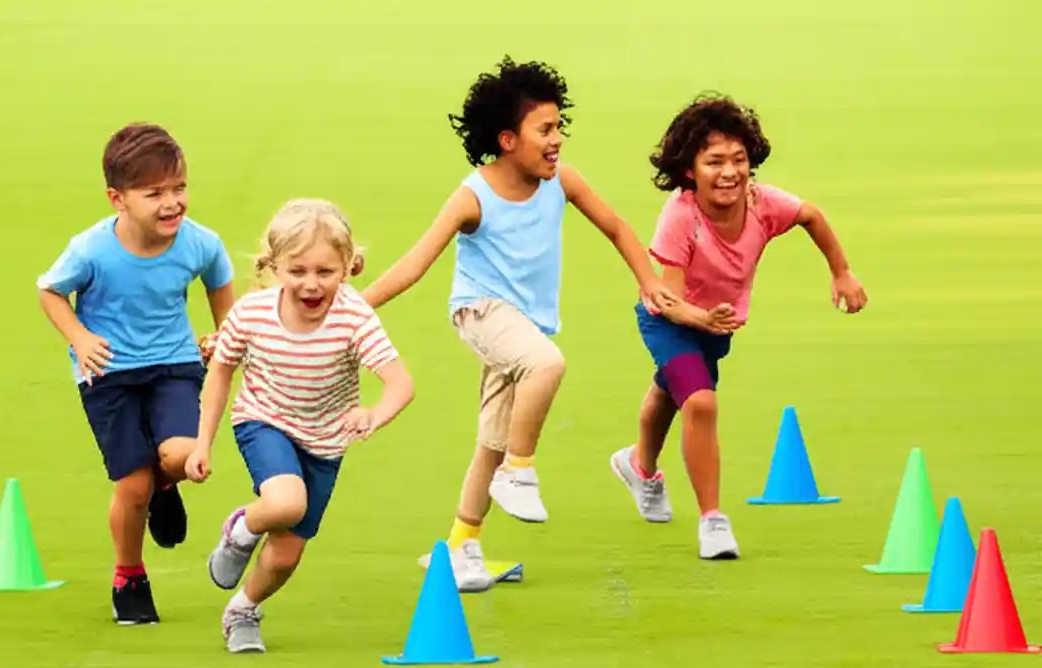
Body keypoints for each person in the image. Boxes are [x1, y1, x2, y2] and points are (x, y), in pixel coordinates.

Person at [359, 56, 677, 591]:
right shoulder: (473, 197)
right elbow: (414, 265)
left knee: (492, 436)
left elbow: (619, 228)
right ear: (507, 139)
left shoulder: (561, 182)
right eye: (544, 130)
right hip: (480, 313)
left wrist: (648, 282)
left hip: (522, 326)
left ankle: (462, 544)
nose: (557, 141)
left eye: (560, 129)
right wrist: (354, 306)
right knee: (547, 365)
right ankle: (519, 470)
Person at [608, 92, 869, 559]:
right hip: (671, 319)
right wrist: (700, 318)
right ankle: (713, 520)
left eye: (739, 159)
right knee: (701, 402)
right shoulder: (680, 216)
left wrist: (841, 271)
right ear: (690, 170)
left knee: (671, 391)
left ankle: (638, 465)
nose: (729, 172)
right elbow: (668, 298)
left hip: (716, 324)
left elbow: (810, 216)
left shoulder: (763, 204)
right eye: (714, 162)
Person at [186, 198, 414, 653]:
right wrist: (202, 443)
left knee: (287, 554)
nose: (311, 285)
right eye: (298, 271)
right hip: (263, 420)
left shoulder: (352, 316)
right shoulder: (252, 313)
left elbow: (400, 383)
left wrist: (373, 414)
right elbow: (221, 373)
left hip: (325, 443)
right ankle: (240, 529)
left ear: (347, 268)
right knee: (287, 502)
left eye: (325, 273)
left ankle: (243, 609)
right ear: (274, 266)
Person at [37, 122, 235, 624]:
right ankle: (129, 574)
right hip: (109, 374)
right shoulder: (91, 249)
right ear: (117, 199)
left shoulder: (200, 243)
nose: (172, 203)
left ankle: (166, 487)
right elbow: (50, 292)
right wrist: (80, 339)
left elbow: (220, 281)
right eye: (154, 194)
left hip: (174, 364)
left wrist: (223, 336)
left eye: (179, 188)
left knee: (183, 456)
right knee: (132, 485)